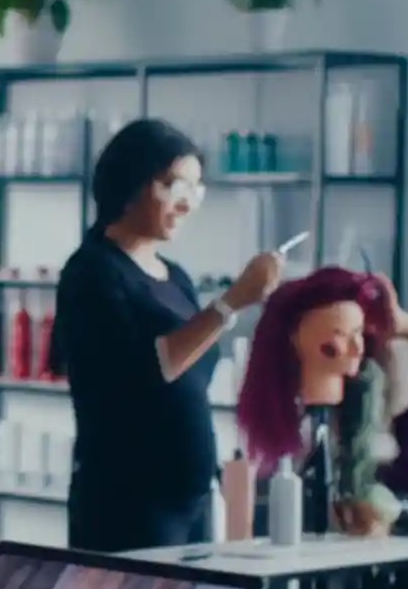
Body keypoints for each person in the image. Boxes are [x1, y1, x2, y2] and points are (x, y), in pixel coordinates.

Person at [52, 119, 284, 553]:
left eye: (195, 190)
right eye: (173, 186)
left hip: (189, 498)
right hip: (127, 502)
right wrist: (231, 302)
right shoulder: (93, 272)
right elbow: (150, 370)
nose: (187, 205)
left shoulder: (175, 277)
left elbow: (192, 373)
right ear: (130, 183)